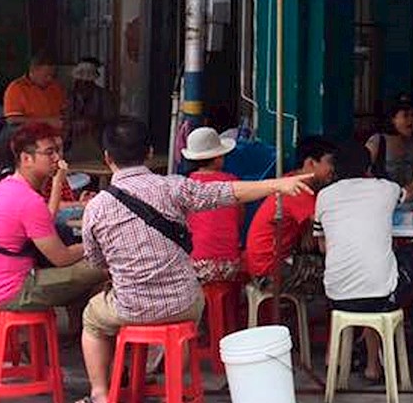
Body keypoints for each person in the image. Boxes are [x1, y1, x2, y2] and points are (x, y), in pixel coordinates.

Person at [78, 117, 313, 403]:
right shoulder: (173, 187)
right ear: (150, 153)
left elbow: (95, 260)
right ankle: (173, 391)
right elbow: (226, 194)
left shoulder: (97, 207)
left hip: (131, 307)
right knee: (184, 319)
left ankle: (100, 394)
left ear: (107, 158)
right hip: (185, 303)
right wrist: (278, 184)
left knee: (92, 319)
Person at [315, 142, 413, 382]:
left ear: (335, 168)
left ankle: (369, 362)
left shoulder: (324, 196)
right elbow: (410, 194)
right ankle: (375, 362)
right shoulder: (386, 189)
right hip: (382, 295)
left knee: (372, 275)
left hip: (337, 295)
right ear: (368, 167)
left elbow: (322, 247)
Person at [0, 122, 106, 312]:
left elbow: (43, 224)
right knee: (104, 266)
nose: (57, 158)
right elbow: (62, 258)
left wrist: (57, 183)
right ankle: (90, 334)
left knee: (85, 265)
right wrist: (97, 243)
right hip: (14, 291)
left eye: (57, 151)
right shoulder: (28, 200)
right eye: (49, 153)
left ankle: (75, 334)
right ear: (26, 159)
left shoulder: (4, 184)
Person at [243, 136, 337, 295]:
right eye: (329, 162)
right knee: (338, 272)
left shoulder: (291, 180)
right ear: (310, 163)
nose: (333, 169)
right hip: (271, 272)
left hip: (266, 265)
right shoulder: (299, 190)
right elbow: (326, 224)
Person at [182, 127, 244, 283]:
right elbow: (240, 219)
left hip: (197, 266)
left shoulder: (186, 185)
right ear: (218, 158)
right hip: (230, 265)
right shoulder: (232, 182)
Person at [366, 97, 413, 187]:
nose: (411, 120)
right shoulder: (377, 141)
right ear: (392, 119)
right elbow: (366, 172)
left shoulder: (410, 144)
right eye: (406, 115)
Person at [3, 51, 66, 129]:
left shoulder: (55, 87)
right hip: (28, 136)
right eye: (46, 75)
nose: (50, 79)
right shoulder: (17, 88)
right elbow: (12, 120)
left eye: (52, 75)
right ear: (33, 71)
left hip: (55, 136)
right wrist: (47, 121)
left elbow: (64, 111)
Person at [68, 57, 114, 161]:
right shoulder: (69, 96)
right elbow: (64, 118)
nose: (83, 84)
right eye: (80, 81)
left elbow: (111, 121)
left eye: (87, 82)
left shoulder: (104, 96)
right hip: (72, 147)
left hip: (97, 145)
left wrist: (91, 122)